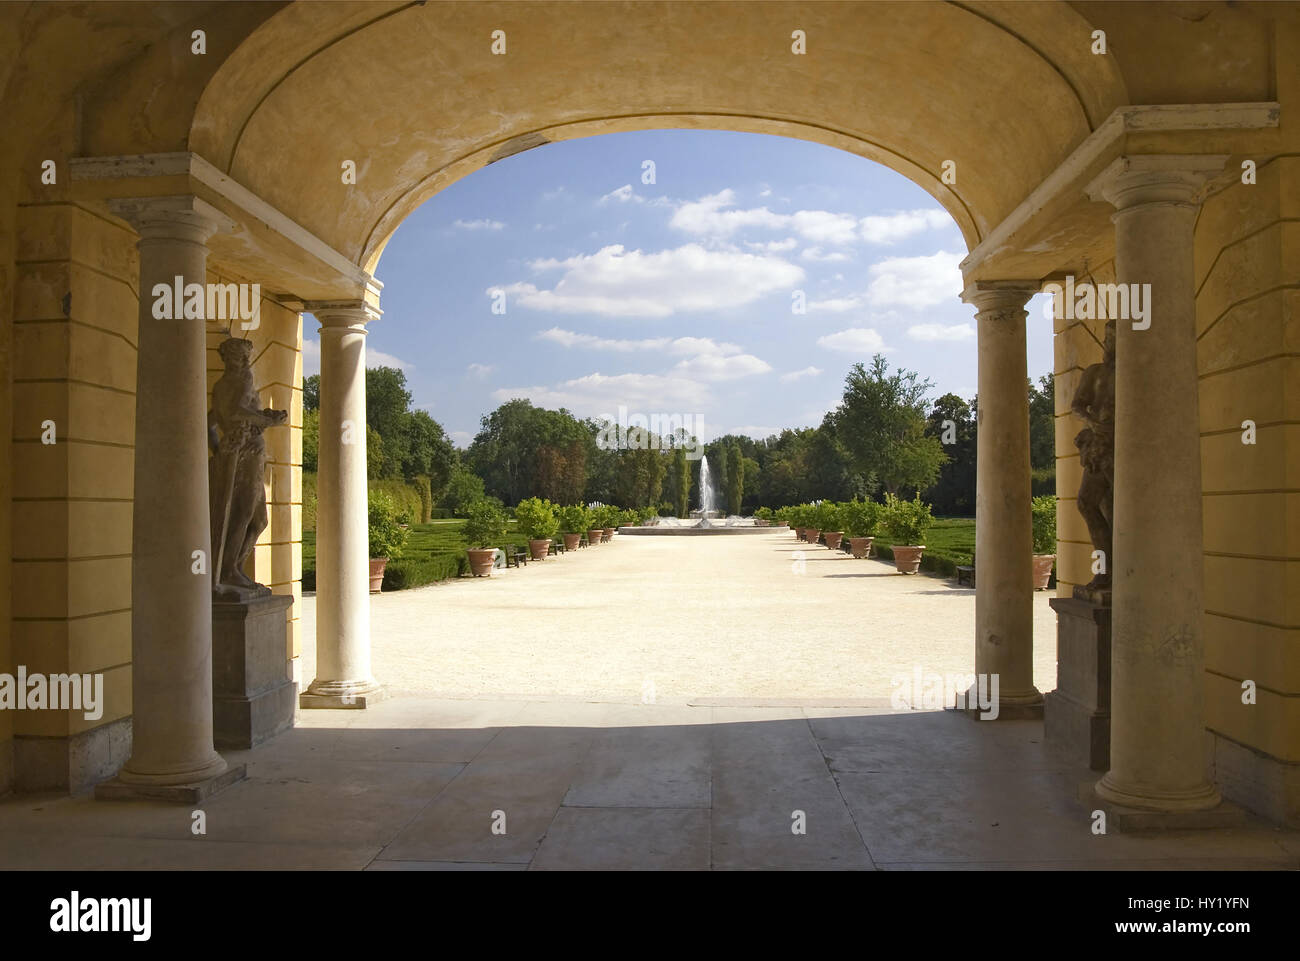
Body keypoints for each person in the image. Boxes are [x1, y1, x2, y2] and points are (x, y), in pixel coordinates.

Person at [208, 336, 288, 597]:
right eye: (238, 357)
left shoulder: (222, 387)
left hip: (242, 452)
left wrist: (219, 449)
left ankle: (234, 567)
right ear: (227, 358)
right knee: (244, 512)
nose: (244, 361)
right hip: (249, 451)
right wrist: (268, 419)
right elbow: (235, 413)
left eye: (245, 357)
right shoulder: (241, 381)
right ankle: (229, 569)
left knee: (259, 519)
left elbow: (210, 421)